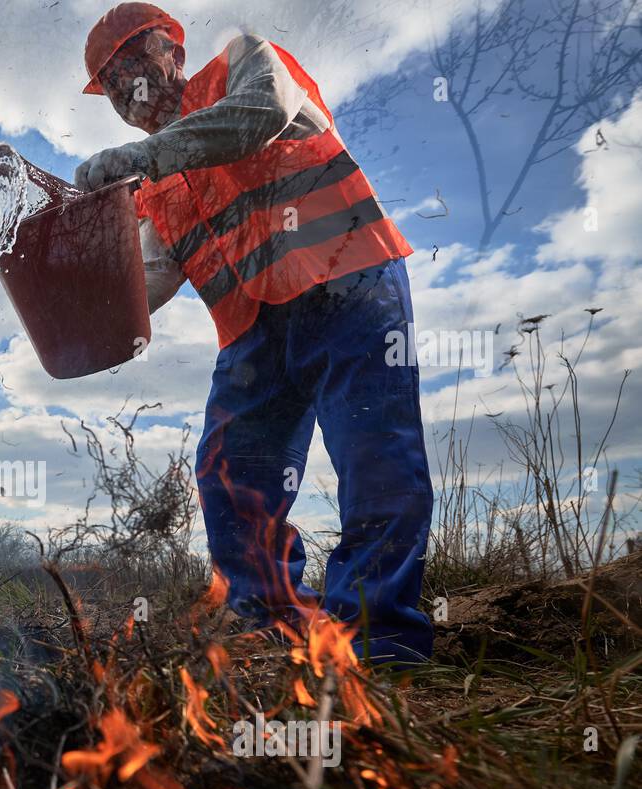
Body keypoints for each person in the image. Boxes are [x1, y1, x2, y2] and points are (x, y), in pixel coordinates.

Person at [75, 3, 434, 664]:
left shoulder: (245, 64)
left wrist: (144, 157)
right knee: (230, 476)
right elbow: (144, 291)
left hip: (346, 280)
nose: (128, 91)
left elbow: (261, 115)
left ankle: (378, 641)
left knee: (375, 456)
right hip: (253, 333)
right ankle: (271, 628)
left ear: (171, 49)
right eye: (112, 84)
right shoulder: (155, 188)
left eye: (131, 66)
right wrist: (71, 292)